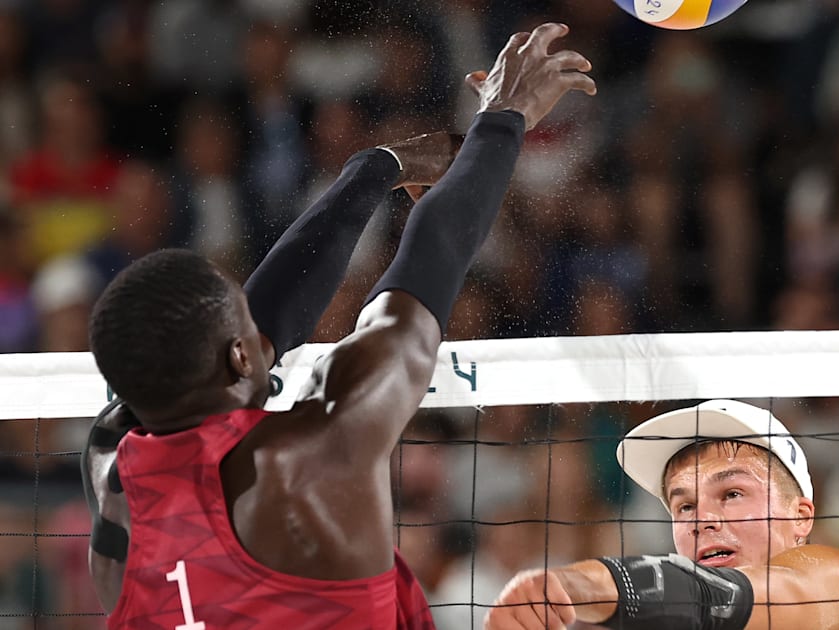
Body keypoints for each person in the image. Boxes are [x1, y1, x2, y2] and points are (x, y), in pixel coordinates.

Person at [80, 23, 595, 628]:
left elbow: (257, 324)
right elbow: (431, 261)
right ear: (241, 357)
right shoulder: (313, 454)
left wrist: (376, 168)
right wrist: (504, 117)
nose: (263, 328)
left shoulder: (113, 471)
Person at [484, 399, 839, 629]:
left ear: (800, 517)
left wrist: (569, 585)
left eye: (732, 493)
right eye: (684, 505)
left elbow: (706, 595)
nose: (702, 520)